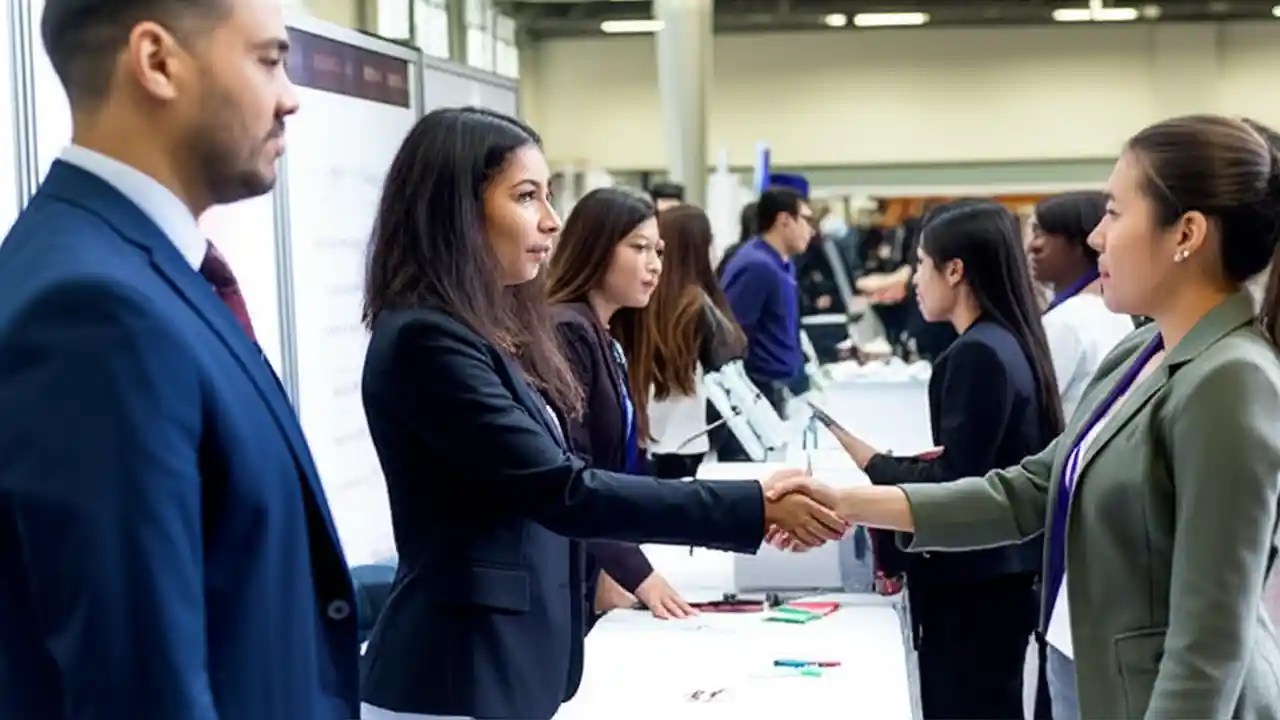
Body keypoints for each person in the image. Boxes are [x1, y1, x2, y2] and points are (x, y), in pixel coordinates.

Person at [775, 115, 1280, 719]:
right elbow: (1031, 489)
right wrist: (847, 503)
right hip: (1082, 667)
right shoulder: (1140, 350)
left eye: (1115, 213)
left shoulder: (1231, 379)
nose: (1096, 237)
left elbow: (1210, 639)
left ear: (1187, 233)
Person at [357, 107, 845, 720]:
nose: (550, 221)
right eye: (527, 196)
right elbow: (562, 488)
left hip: (504, 666)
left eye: (549, 197)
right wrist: (750, 505)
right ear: (458, 207)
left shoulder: (479, 332)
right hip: (456, 672)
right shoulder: (428, 340)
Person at [0, 1, 360, 718]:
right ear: (157, 62)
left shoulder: (141, 274)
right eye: (267, 59)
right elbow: (138, 687)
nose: (290, 97)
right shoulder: (95, 309)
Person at [830, 201, 1064, 719]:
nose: (914, 280)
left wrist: (876, 465)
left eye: (921, 264)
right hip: (999, 575)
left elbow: (956, 479)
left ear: (954, 270)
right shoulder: (1008, 342)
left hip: (973, 579)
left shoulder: (978, 352)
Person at [544, 187, 694, 621]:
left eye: (659, 251)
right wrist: (632, 572)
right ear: (596, 246)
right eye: (639, 248)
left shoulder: (602, 333)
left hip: (601, 556)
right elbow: (573, 473)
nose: (654, 265)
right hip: (579, 568)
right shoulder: (567, 331)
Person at [642, 204, 746, 479]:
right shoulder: (696, 304)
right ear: (698, 248)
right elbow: (729, 359)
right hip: (689, 434)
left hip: (651, 434)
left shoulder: (645, 299)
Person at [718, 188, 812, 452]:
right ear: (784, 220)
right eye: (806, 219)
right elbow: (731, 332)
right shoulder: (756, 265)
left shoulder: (781, 263)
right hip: (760, 391)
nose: (811, 230)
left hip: (781, 388)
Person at [1028, 191, 1135, 419]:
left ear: (1078, 243)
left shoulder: (1067, 320)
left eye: (1043, 234)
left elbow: (1034, 409)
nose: (1032, 246)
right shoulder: (1116, 312)